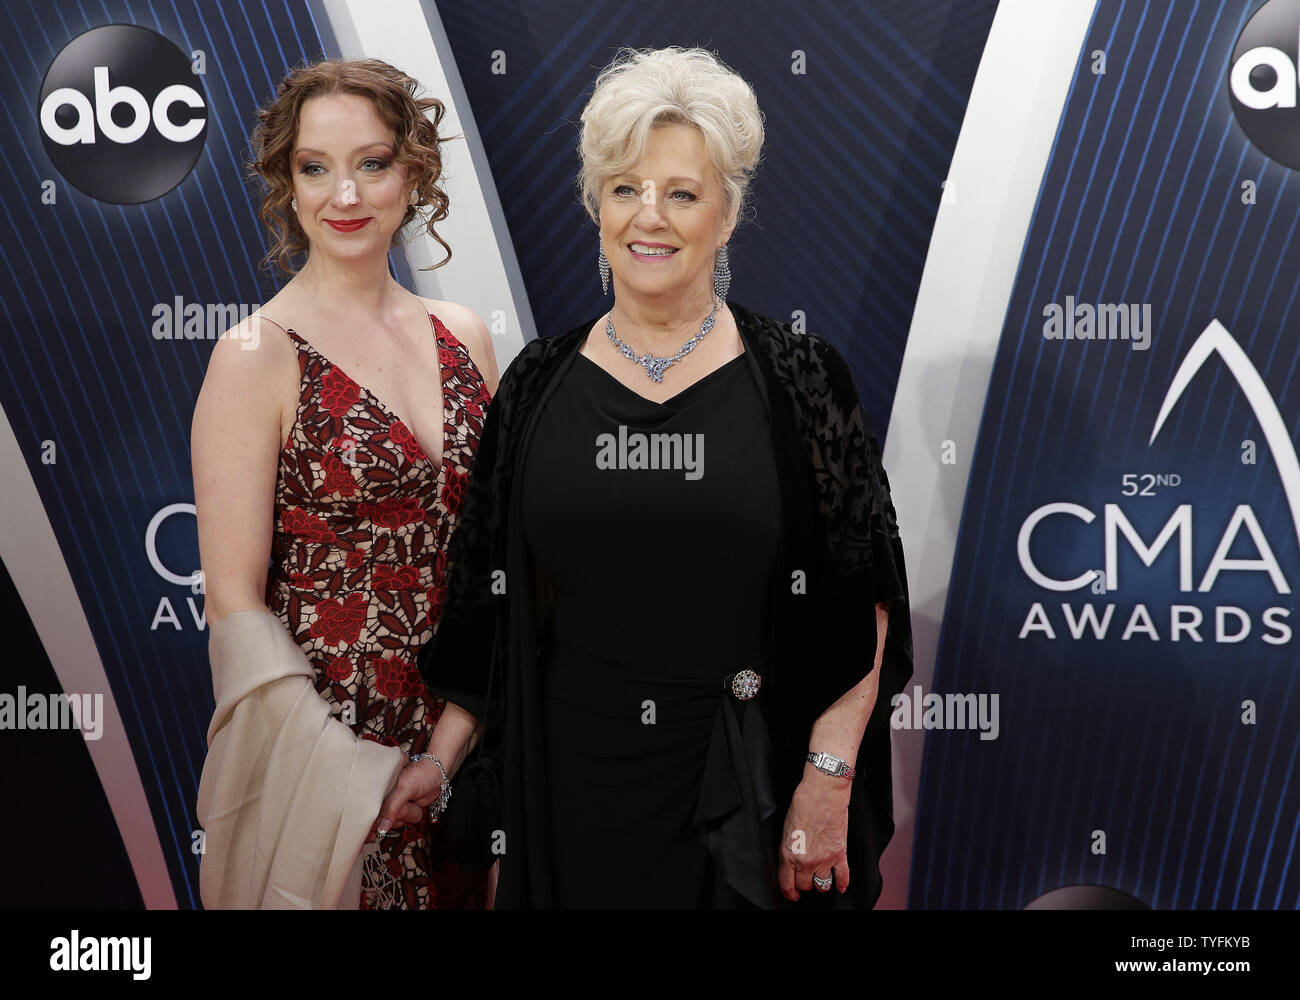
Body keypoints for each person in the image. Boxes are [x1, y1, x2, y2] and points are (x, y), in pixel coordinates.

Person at [383, 45, 913, 908]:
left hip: (749, 791)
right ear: (597, 205)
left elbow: (870, 600)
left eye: (682, 192)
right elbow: (487, 615)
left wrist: (827, 779)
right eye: (625, 189)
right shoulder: (536, 384)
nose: (649, 217)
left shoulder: (803, 380)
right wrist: (442, 763)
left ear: (728, 214)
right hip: (566, 799)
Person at [192, 58, 499, 910]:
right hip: (332, 765)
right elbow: (233, 603)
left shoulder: (465, 335)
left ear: (414, 171)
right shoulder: (255, 354)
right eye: (315, 167)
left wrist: (449, 748)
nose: (346, 195)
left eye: (372, 162)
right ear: (287, 183)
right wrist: (355, 773)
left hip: (468, 744)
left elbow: (498, 560)